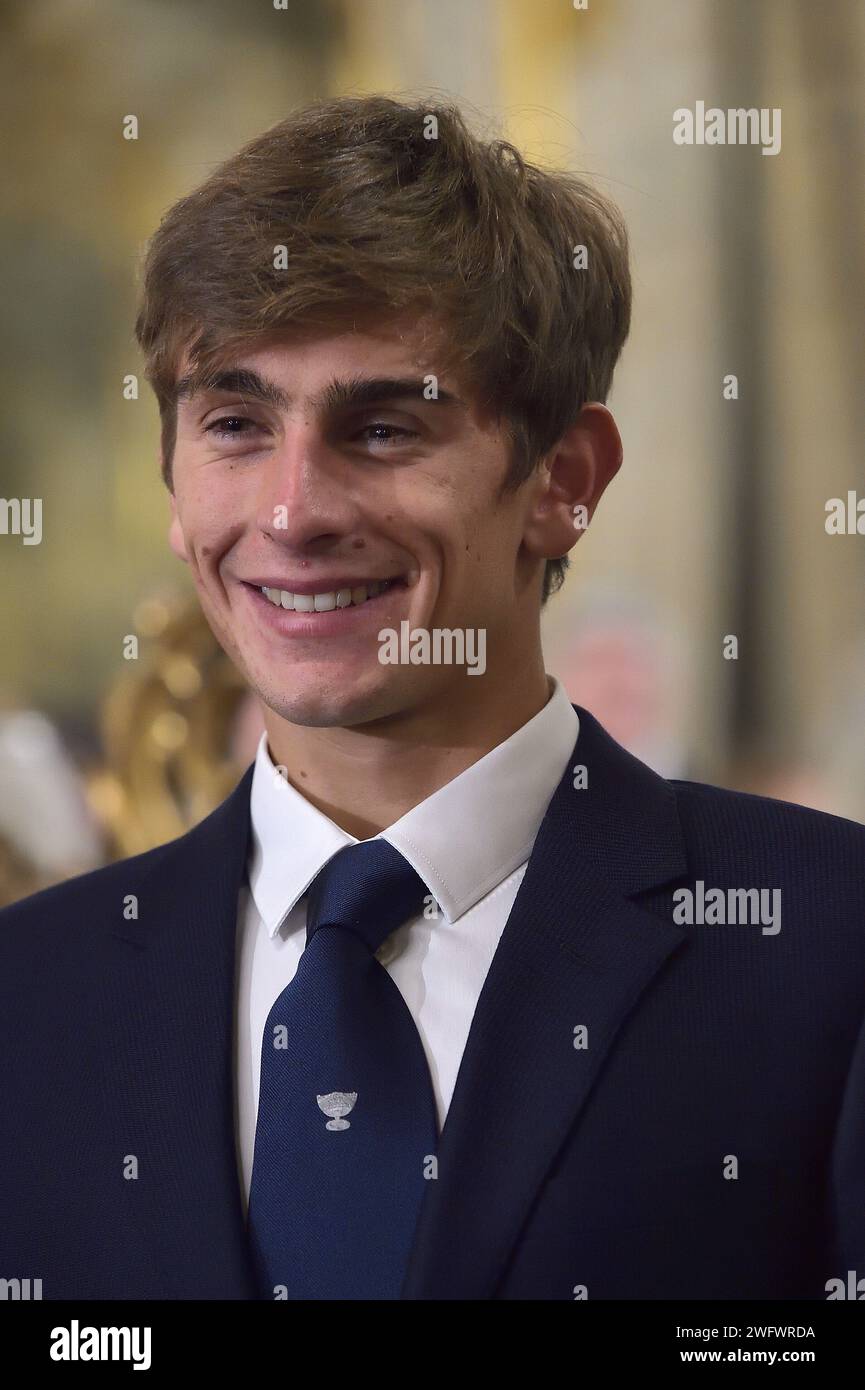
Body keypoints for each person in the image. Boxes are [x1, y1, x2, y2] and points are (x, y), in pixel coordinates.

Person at [1, 94, 863, 1302]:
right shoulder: (27, 994)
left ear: (562, 480)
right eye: (237, 424)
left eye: (384, 427)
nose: (293, 512)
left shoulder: (827, 941)